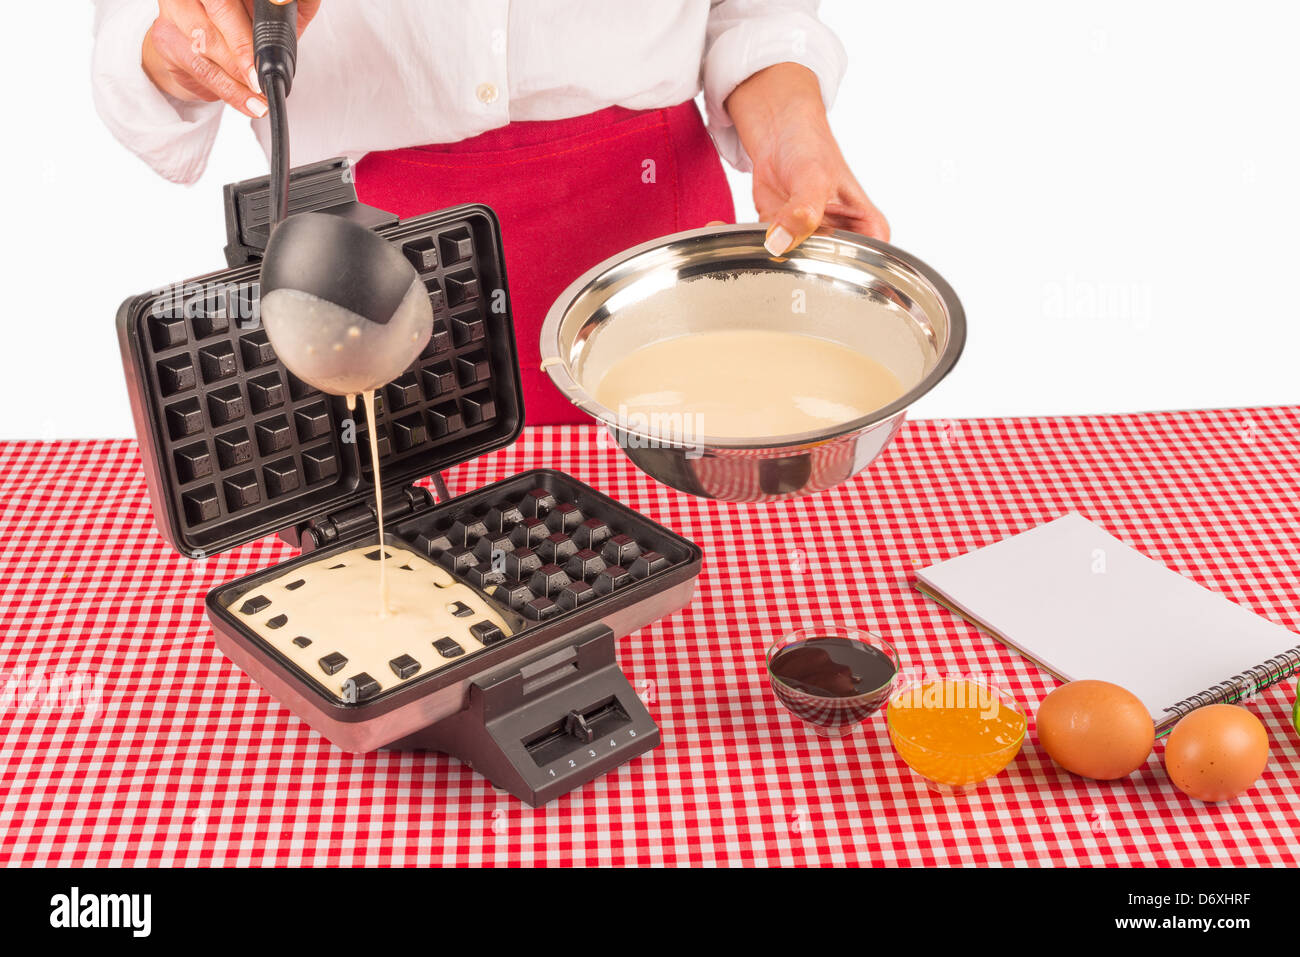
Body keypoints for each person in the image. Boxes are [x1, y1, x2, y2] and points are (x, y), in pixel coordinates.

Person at [93, 0, 888, 424]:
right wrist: (183, 46)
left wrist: (793, 130)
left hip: (645, 250)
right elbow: (141, 29)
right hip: (353, 262)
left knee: (690, 619)